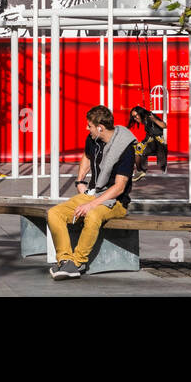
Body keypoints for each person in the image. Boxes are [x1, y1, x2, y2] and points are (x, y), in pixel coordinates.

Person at [47, 105, 137, 279]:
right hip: (92, 194)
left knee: (93, 215)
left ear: (100, 127)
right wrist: (80, 180)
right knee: (54, 213)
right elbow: (87, 157)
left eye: (89, 126)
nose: (87, 128)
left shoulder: (125, 147)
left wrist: (91, 204)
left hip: (116, 202)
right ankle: (65, 261)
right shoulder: (93, 139)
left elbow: (119, 187)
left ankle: (78, 262)